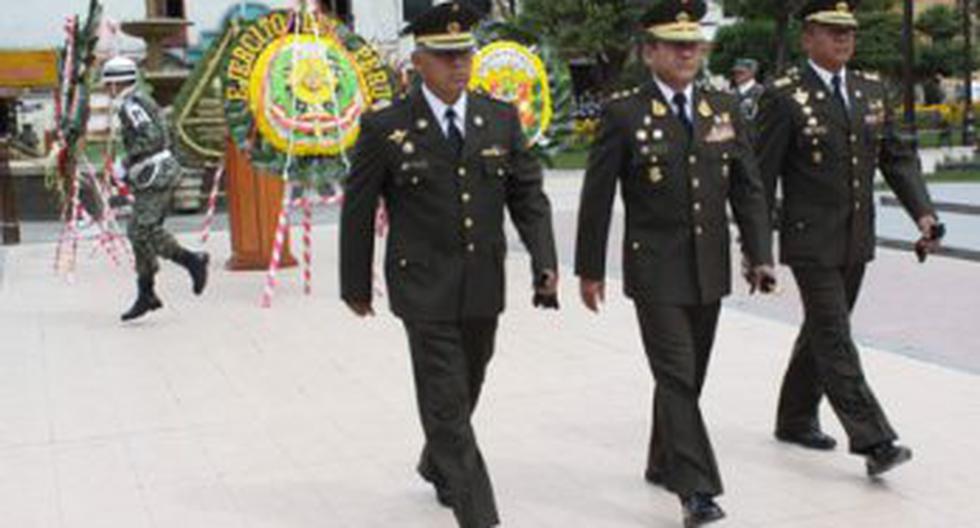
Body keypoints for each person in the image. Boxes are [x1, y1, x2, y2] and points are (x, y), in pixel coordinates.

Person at [338, 3, 559, 527]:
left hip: (483, 281)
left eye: (464, 54)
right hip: (423, 286)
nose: (458, 65)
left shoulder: (499, 118)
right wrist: (355, 282)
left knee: (470, 380)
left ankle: (435, 461)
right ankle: (479, 515)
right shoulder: (385, 127)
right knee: (446, 400)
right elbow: (359, 208)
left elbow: (528, 196)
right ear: (418, 61)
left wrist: (545, 262)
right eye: (444, 57)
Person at [573, 1, 775, 525]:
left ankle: (663, 460)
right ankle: (696, 489)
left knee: (688, 377)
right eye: (675, 44)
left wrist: (759, 255)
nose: (688, 52)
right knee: (678, 376)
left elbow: (748, 189)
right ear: (649, 51)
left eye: (694, 44)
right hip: (655, 269)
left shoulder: (722, 107)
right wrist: (589, 269)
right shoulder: (624, 112)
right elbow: (597, 198)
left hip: (708, 268)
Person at [755, 0, 941, 477]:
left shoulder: (869, 90)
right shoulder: (783, 95)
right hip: (809, 240)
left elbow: (896, 158)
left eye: (849, 31)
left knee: (821, 331)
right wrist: (756, 247)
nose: (843, 39)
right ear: (807, 38)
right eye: (831, 31)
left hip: (856, 237)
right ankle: (875, 440)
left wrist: (923, 213)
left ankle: (794, 417)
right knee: (836, 336)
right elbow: (758, 176)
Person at [102, 56, 209, 322]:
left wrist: (125, 163)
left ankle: (192, 260)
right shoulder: (138, 100)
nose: (106, 90)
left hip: (155, 175)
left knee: (143, 230)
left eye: (108, 84)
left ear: (117, 83)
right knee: (139, 232)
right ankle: (146, 293)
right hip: (157, 173)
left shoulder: (131, 105)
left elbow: (152, 137)